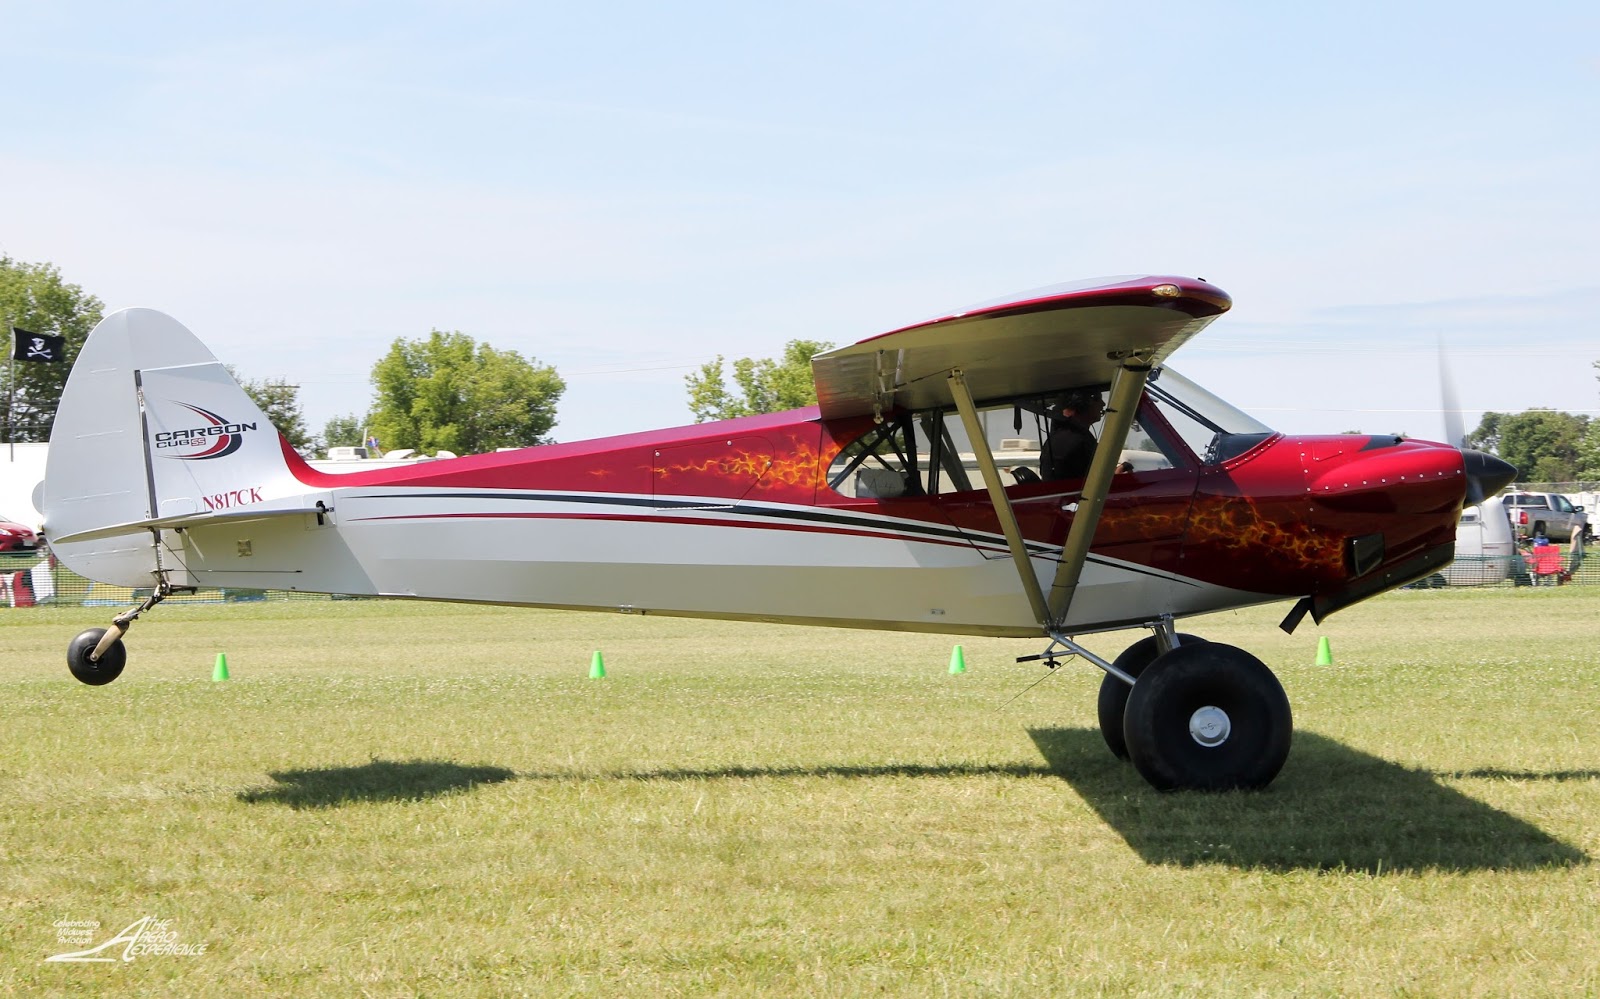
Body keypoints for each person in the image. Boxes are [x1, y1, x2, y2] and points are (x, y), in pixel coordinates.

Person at [1039, 389, 1131, 481]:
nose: (1103, 404)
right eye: (1097, 399)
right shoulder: (1076, 440)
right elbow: (1094, 482)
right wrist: (1115, 476)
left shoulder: (1064, 436)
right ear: (1082, 403)